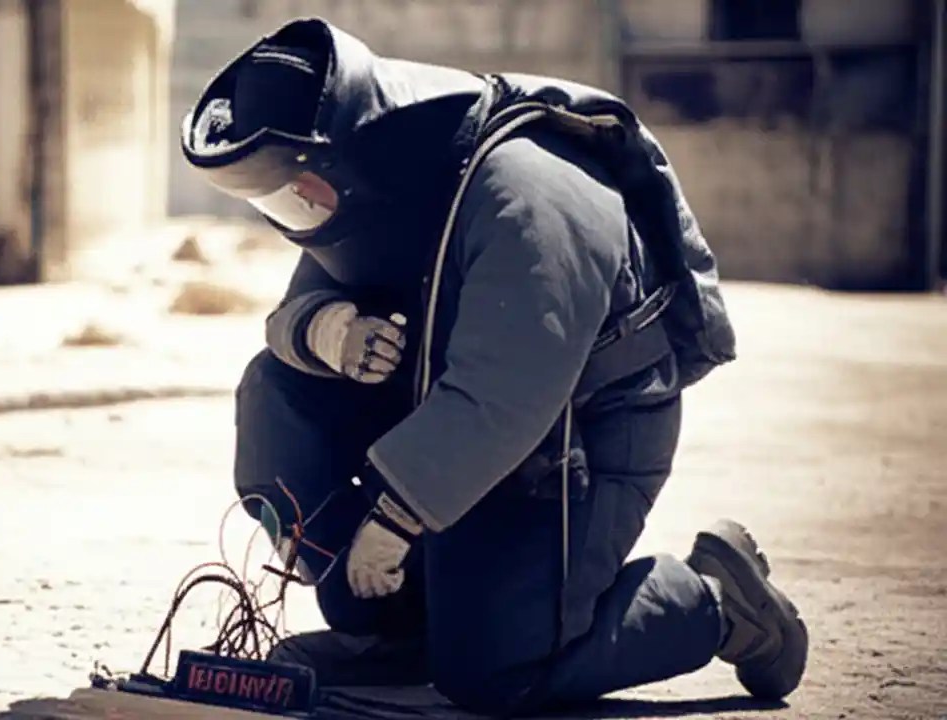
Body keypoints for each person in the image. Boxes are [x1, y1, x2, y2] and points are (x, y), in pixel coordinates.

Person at [180, 17, 808, 717]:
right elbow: (287, 329)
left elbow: (508, 390)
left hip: (579, 437)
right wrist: (327, 330)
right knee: (277, 389)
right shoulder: (374, 182)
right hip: (460, 430)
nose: (296, 214)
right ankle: (403, 631)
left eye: (296, 194)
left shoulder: (535, 190)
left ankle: (716, 601)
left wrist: (394, 517)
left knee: (496, 676)